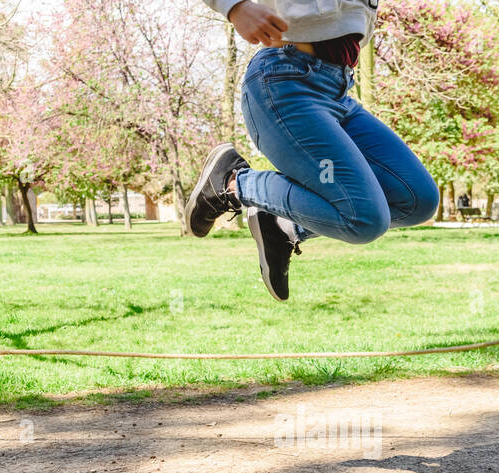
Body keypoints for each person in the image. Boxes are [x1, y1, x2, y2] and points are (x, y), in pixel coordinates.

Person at [187, 1, 439, 301]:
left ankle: (282, 225)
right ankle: (232, 183)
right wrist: (235, 7)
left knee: (418, 199)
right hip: (285, 81)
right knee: (364, 220)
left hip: (337, 90)